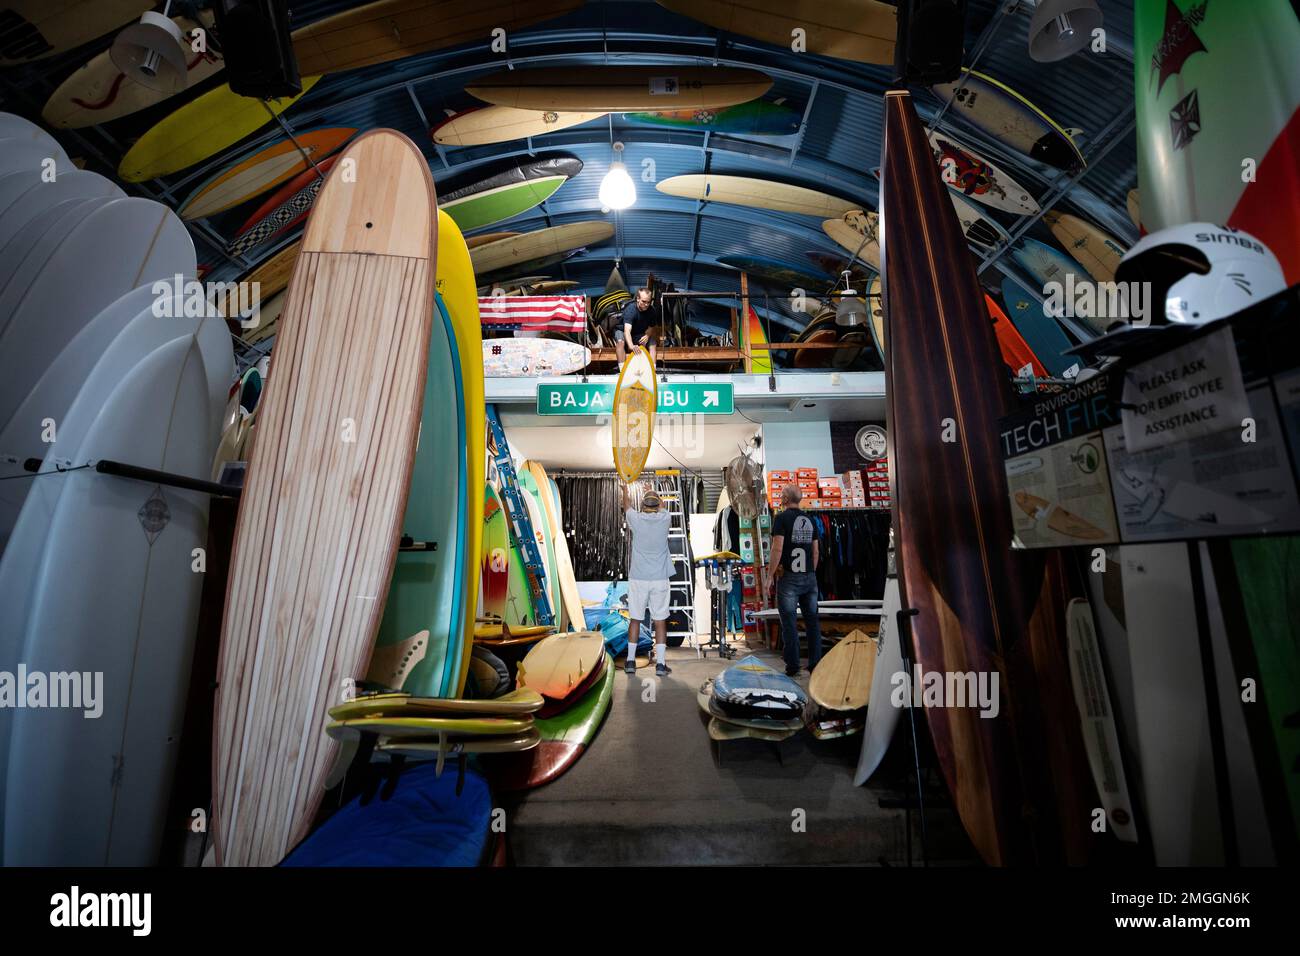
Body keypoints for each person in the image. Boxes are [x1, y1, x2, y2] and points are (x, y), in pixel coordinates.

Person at [766, 483, 821, 677]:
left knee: (789, 623)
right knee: (812, 622)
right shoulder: (810, 520)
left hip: (789, 578)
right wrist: (810, 574)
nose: (780, 497)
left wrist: (770, 575)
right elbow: (815, 552)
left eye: (781, 495)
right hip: (809, 578)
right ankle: (815, 664)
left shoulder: (781, 519)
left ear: (786, 499)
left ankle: (793, 666)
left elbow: (777, 549)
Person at [621, 480, 673, 676]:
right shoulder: (665, 519)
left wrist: (626, 490)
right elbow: (663, 506)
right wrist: (652, 492)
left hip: (638, 578)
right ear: (657, 505)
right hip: (659, 578)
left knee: (635, 619)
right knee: (660, 621)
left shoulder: (636, 519)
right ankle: (660, 665)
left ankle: (630, 662)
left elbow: (626, 505)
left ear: (643, 506)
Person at [615, 287, 661, 365]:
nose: (646, 304)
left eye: (648, 302)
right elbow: (627, 331)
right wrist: (631, 346)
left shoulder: (652, 310)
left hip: (637, 334)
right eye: (644, 301)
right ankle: (622, 370)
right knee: (620, 342)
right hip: (623, 331)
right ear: (638, 299)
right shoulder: (631, 310)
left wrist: (647, 335)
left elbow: (651, 326)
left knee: (653, 342)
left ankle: (653, 370)